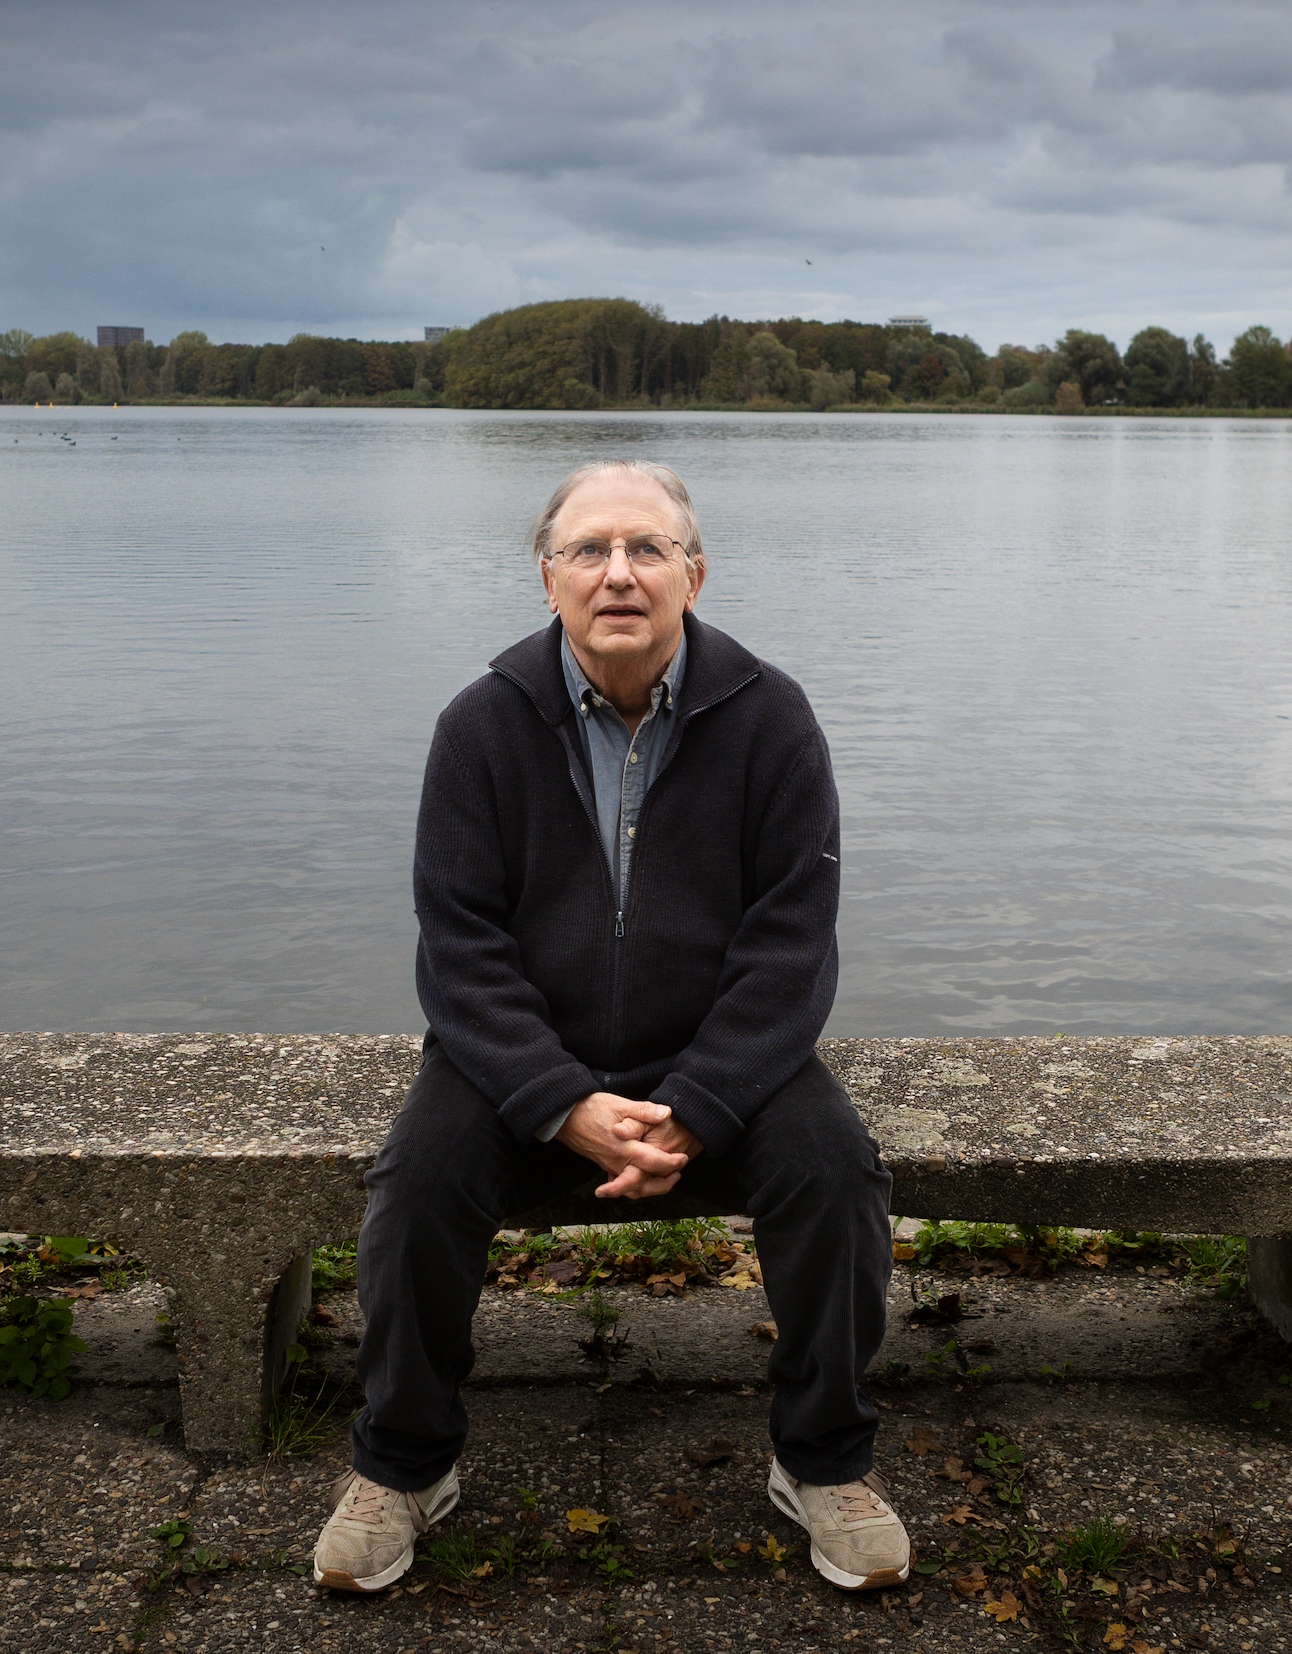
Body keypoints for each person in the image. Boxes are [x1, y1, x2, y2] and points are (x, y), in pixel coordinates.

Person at [311, 460, 906, 1593]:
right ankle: (403, 1461)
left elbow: (791, 940)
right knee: (418, 1181)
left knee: (834, 1172)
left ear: (694, 573)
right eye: (589, 550)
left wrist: (702, 1105)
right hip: (524, 1058)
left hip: (722, 1057)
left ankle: (822, 1458)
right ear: (548, 582)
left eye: (645, 549)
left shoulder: (769, 718)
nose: (617, 574)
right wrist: (556, 1101)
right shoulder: (481, 724)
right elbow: (458, 946)